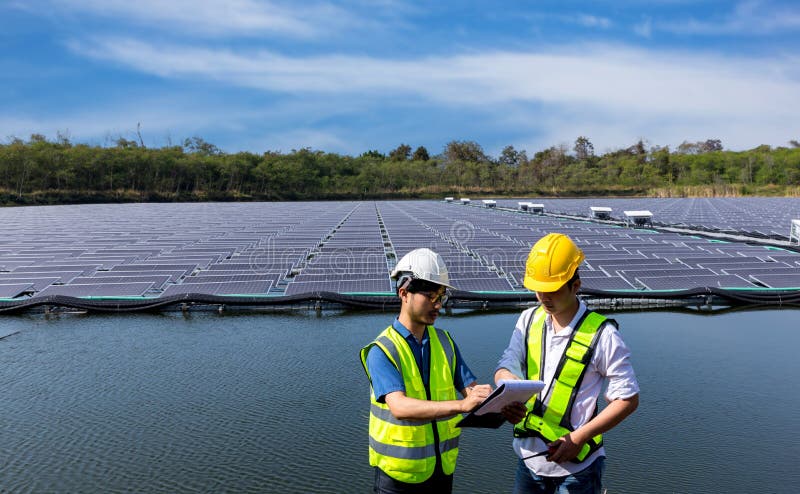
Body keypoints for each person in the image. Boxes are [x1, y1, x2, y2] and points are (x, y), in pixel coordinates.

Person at [494, 233, 640, 494]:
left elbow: (627, 399)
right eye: (539, 290)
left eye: (553, 290)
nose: (544, 297)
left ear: (576, 285)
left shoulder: (602, 334)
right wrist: (509, 393)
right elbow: (506, 365)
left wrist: (578, 437)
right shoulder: (528, 320)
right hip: (528, 463)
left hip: (578, 471)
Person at [360, 247, 492, 493]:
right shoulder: (382, 350)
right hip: (398, 477)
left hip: (441, 470)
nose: (437, 305)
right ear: (404, 293)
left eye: (441, 297)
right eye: (430, 296)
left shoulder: (445, 342)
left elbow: (470, 389)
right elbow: (400, 407)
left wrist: (497, 400)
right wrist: (461, 406)